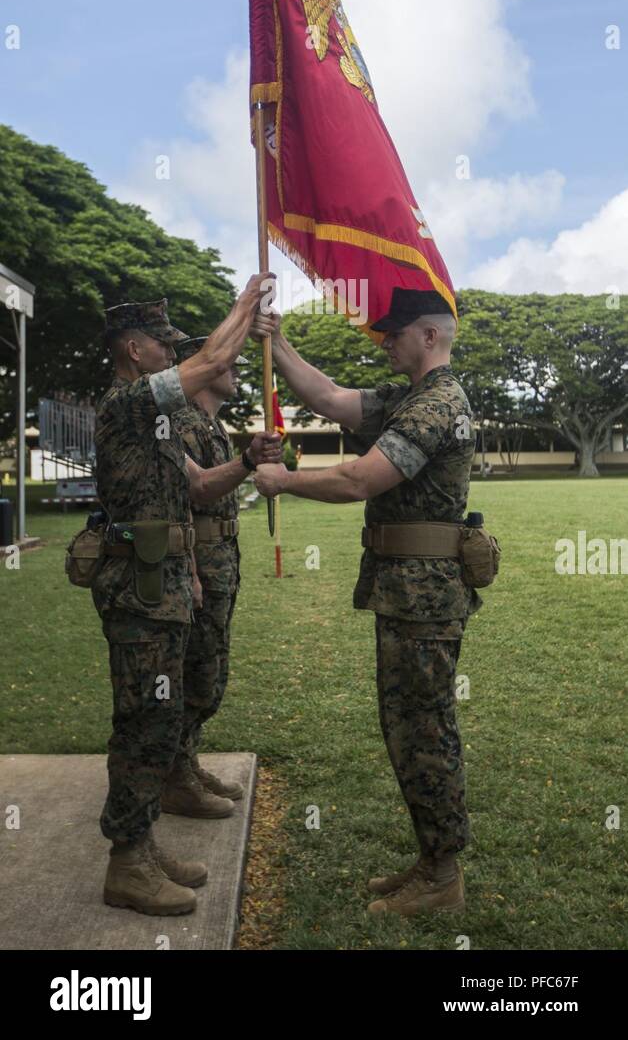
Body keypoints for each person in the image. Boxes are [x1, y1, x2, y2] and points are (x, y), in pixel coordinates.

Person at [253, 288, 480, 917]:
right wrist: (276, 338)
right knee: (407, 726)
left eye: (395, 333)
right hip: (406, 592)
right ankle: (432, 860)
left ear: (428, 337)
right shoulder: (410, 398)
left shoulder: (438, 404)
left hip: (423, 597)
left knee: (425, 731)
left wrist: (285, 481)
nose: (384, 341)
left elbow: (361, 479)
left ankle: (442, 877)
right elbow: (327, 398)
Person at [93, 277, 269, 916]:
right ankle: (127, 863)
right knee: (142, 722)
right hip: (138, 589)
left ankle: (141, 847)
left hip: (164, 584)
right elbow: (216, 360)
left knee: (161, 719)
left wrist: (247, 462)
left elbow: (197, 489)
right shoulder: (127, 403)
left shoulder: (158, 421)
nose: (174, 356)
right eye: (164, 347)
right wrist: (248, 304)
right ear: (134, 351)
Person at [161, 342, 282, 815]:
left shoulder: (210, 424)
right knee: (196, 673)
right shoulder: (183, 423)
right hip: (200, 563)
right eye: (226, 364)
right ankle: (175, 776)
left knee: (211, 670)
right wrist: (191, 570)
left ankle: (186, 762)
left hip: (221, 560)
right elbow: (186, 500)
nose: (234, 371)